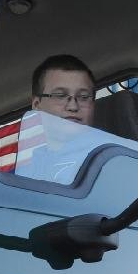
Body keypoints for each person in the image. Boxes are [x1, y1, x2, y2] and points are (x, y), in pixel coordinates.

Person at [16, 54, 98, 183]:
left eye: (83, 96)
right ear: (37, 105)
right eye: (60, 95)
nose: (73, 106)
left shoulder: (113, 161)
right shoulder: (25, 173)